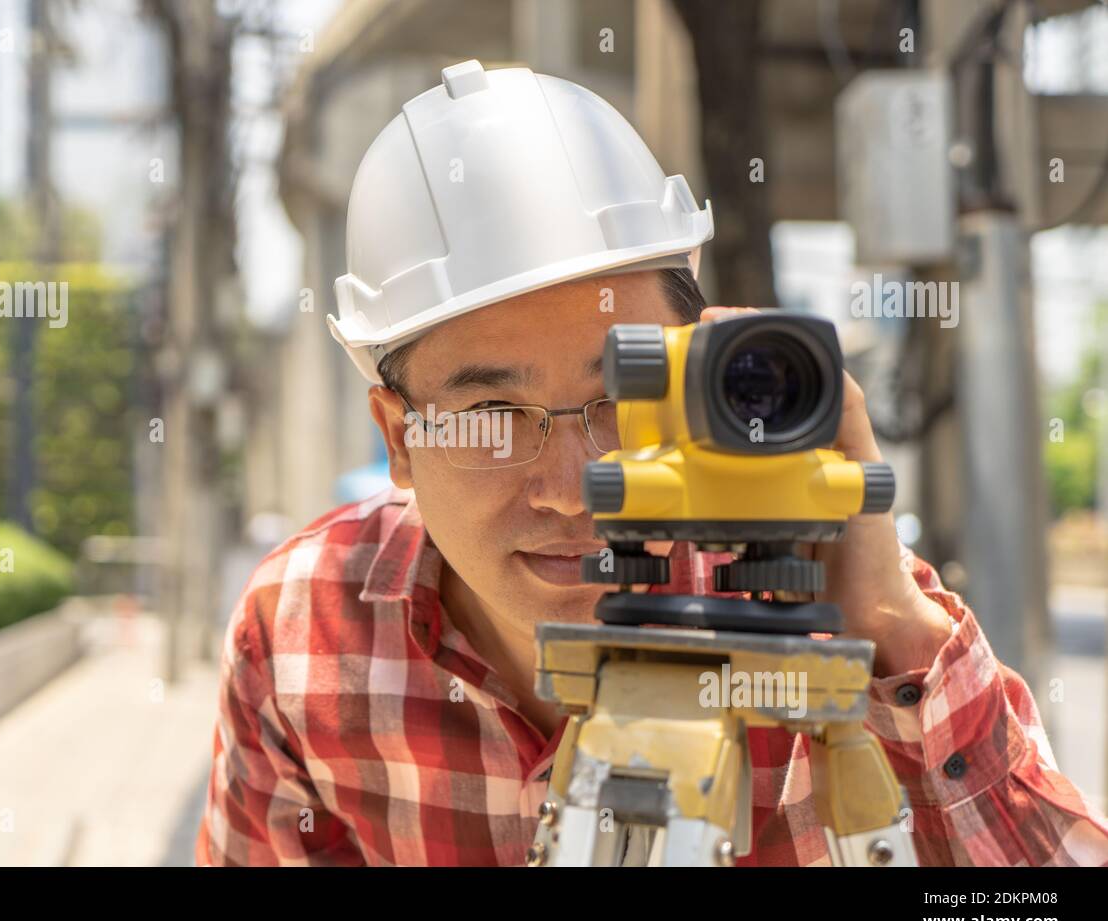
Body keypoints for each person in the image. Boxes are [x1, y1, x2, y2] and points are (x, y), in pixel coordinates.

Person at [196, 60, 1108, 866]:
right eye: (492, 415)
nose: (568, 491)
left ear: (704, 373)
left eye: (628, 397)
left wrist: (892, 626)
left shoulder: (827, 619)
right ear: (399, 437)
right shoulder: (303, 638)